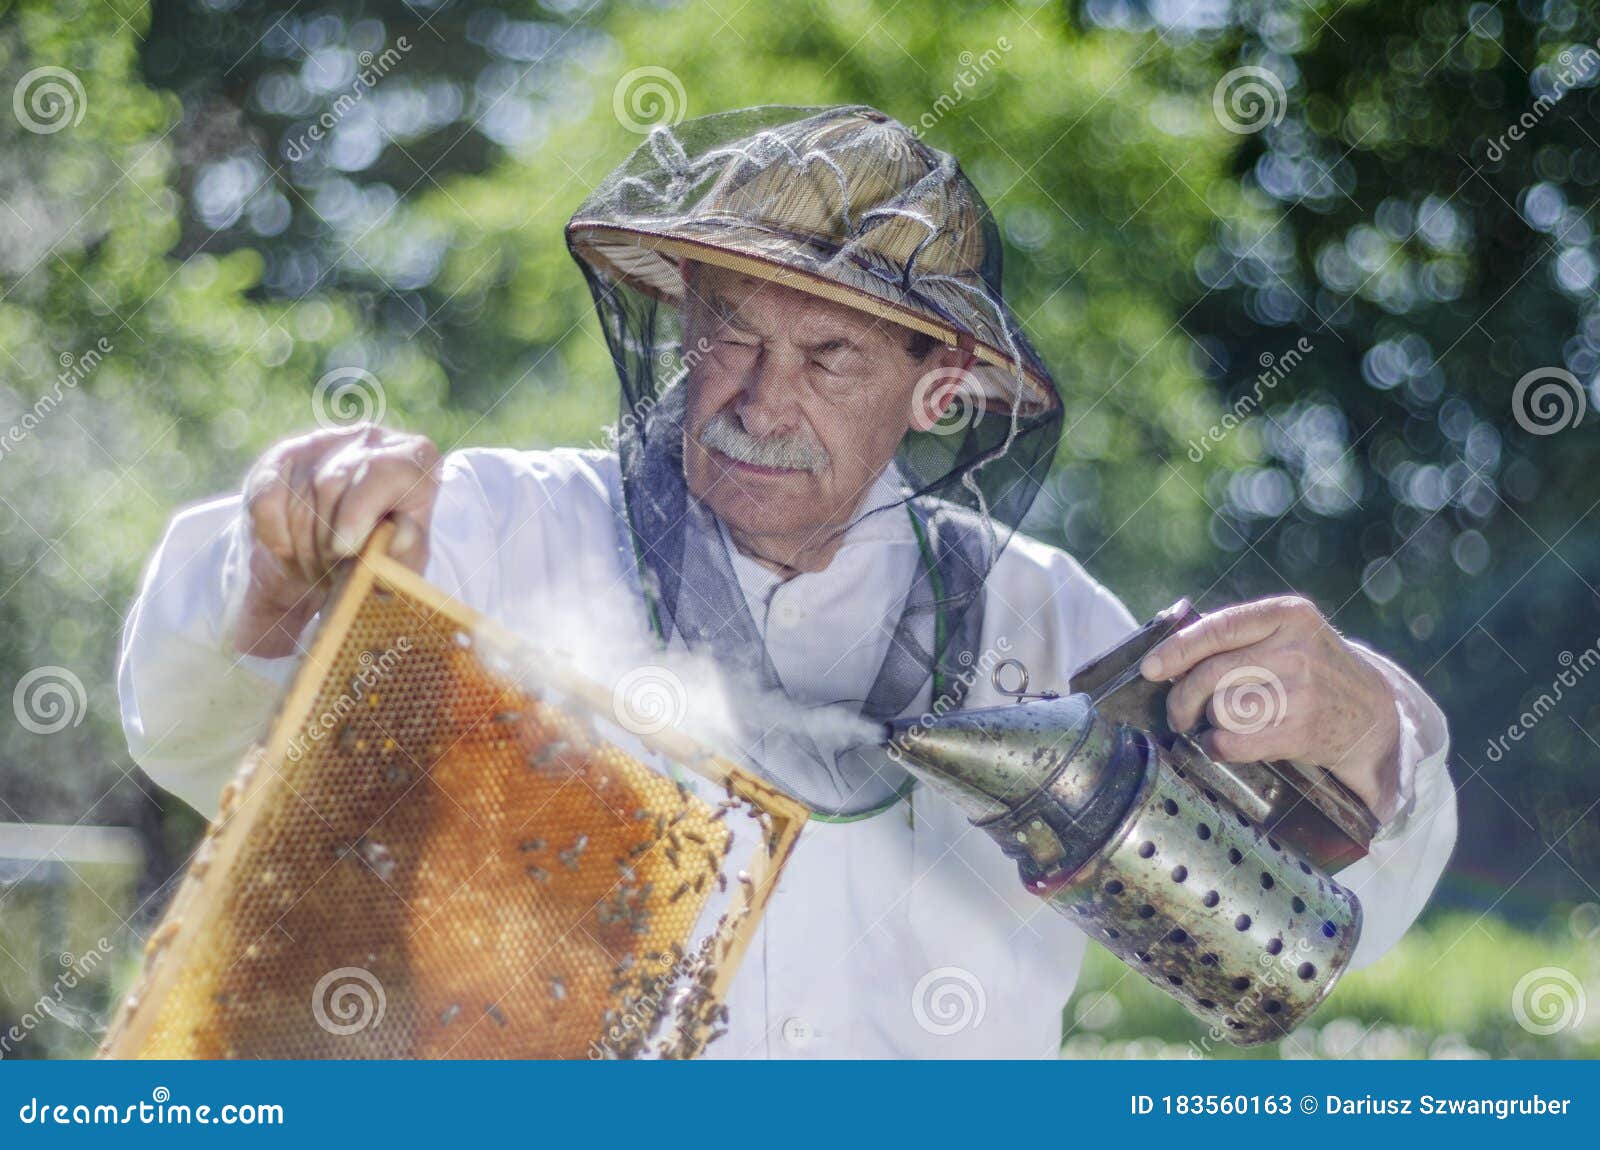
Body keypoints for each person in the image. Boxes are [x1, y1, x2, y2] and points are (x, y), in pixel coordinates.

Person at [118, 105, 1457, 1058]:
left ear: (940, 388)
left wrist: (1368, 732)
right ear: (678, 321)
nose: (762, 402)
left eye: (829, 360)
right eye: (731, 336)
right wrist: (277, 562)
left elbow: (1314, 932)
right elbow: (195, 738)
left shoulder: (1047, 624)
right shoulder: (495, 530)